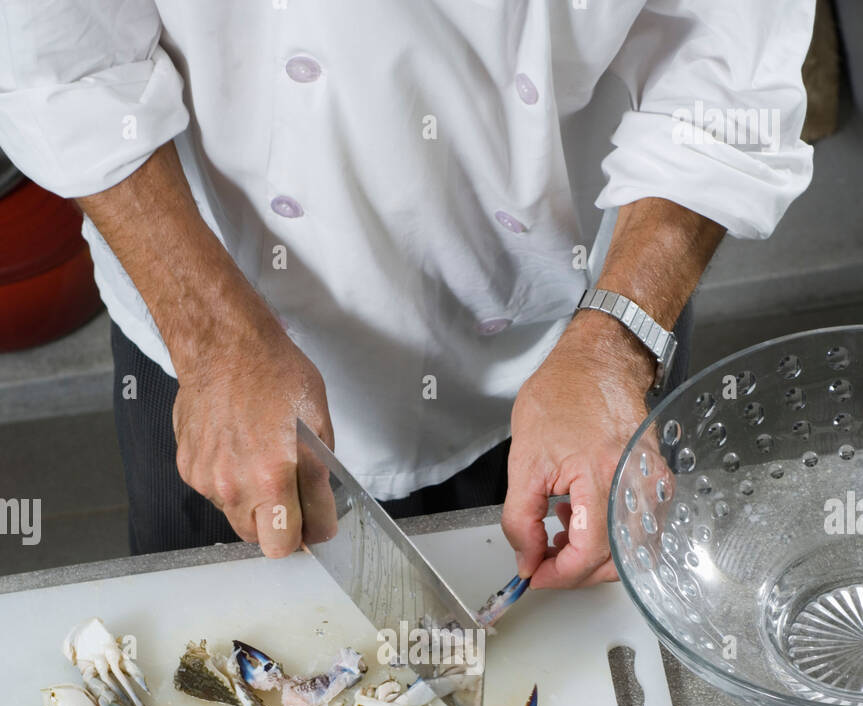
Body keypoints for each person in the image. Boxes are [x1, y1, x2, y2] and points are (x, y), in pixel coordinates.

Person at [0, 2, 814, 588]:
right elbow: (61, 61)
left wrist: (614, 344)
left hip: (578, 327)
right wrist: (214, 340)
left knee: (588, 641)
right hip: (208, 313)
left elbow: (726, 74)